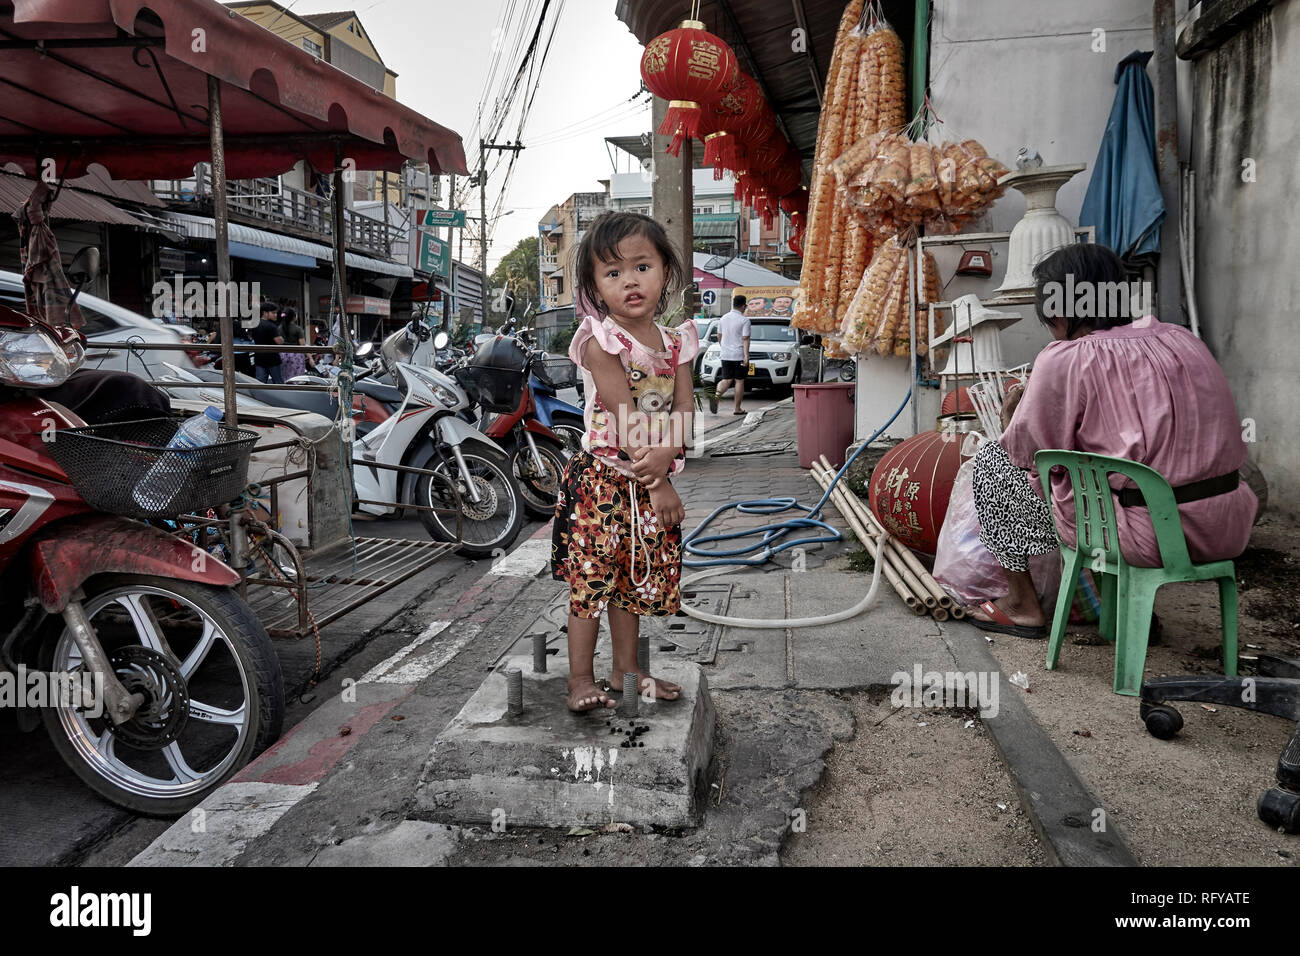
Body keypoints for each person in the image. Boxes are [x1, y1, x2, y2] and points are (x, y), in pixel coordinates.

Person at [962, 243, 1258, 637]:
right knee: (1111, 475)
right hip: (1227, 524)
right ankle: (1123, 610)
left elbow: (1026, 452)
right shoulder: (1182, 339)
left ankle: (1021, 604)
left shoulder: (1065, 358)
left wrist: (1009, 418)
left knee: (994, 463)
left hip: (1147, 536)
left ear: (1060, 311)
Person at [551, 211, 699, 713]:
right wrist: (659, 481)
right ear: (595, 286)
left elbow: (685, 407)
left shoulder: (677, 342)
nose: (629, 281)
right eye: (612, 273)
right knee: (592, 577)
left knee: (633, 577)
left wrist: (666, 456)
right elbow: (624, 413)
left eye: (641, 267)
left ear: (666, 273)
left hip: (648, 472)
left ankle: (626, 670)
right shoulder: (600, 341)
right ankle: (578, 678)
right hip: (602, 482)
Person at [713, 294, 750, 415]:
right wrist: (746, 356)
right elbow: (745, 338)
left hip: (725, 354)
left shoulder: (723, 318)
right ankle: (737, 408)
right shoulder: (744, 320)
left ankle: (716, 397)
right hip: (738, 354)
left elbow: (719, 336)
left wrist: (724, 347)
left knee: (726, 379)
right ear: (744, 306)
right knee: (739, 381)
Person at [250, 300, 285, 384]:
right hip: (272, 359)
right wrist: (282, 339)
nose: (275, 315)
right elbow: (279, 341)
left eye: (276, 313)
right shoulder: (271, 326)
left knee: (260, 383)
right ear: (265, 313)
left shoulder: (255, 324)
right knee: (278, 382)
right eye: (273, 313)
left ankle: (258, 397)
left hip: (259, 358)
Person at [279, 307, 307, 380]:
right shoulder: (298, 329)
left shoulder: (279, 328)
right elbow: (303, 345)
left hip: (282, 355)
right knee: (297, 378)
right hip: (296, 355)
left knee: (285, 377)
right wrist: (310, 358)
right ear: (294, 317)